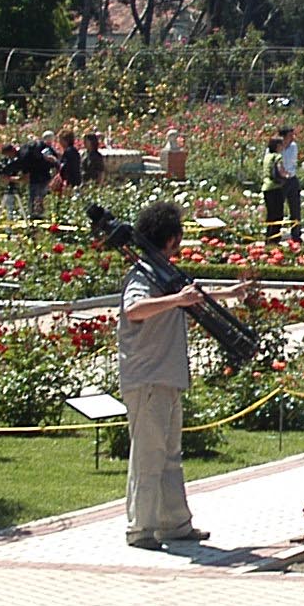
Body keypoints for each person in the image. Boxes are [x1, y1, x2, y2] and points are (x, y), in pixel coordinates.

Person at [117, 200, 213, 551]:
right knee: (148, 457)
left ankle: (174, 524)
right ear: (170, 238)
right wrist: (176, 301)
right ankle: (141, 529)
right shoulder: (143, 274)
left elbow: (183, 299)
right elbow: (134, 309)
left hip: (166, 379)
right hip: (148, 380)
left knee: (170, 455)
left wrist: (229, 293)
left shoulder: (163, 274)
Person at [17, 133, 59, 220]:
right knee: (42, 196)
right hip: (44, 175)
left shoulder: (32, 148)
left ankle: (33, 214)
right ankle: (41, 214)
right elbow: (55, 160)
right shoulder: (45, 148)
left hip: (34, 176)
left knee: (34, 196)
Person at [274, 125, 304, 241]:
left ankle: (296, 235)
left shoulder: (293, 147)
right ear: (284, 137)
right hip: (279, 181)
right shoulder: (274, 147)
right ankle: (275, 236)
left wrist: (286, 173)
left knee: (295, 208)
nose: (293, 138)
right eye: (290, 135)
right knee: (277, 209)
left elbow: (290, 163)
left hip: (291, 179)